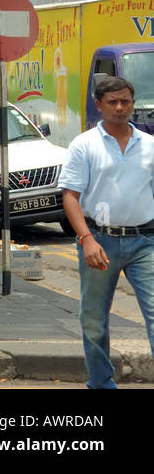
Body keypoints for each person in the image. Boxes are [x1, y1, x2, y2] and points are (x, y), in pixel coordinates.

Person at [59, 75, 154, 389]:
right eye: (112, 102)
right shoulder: (84, 145)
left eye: (125, 101)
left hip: (145, 243)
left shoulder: (149, 145)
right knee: (95, 319)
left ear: (132, 103)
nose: (119, 107)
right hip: (99, 241)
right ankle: (101, 382)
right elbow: (70, 196)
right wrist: (87, 240)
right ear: (99, 105)